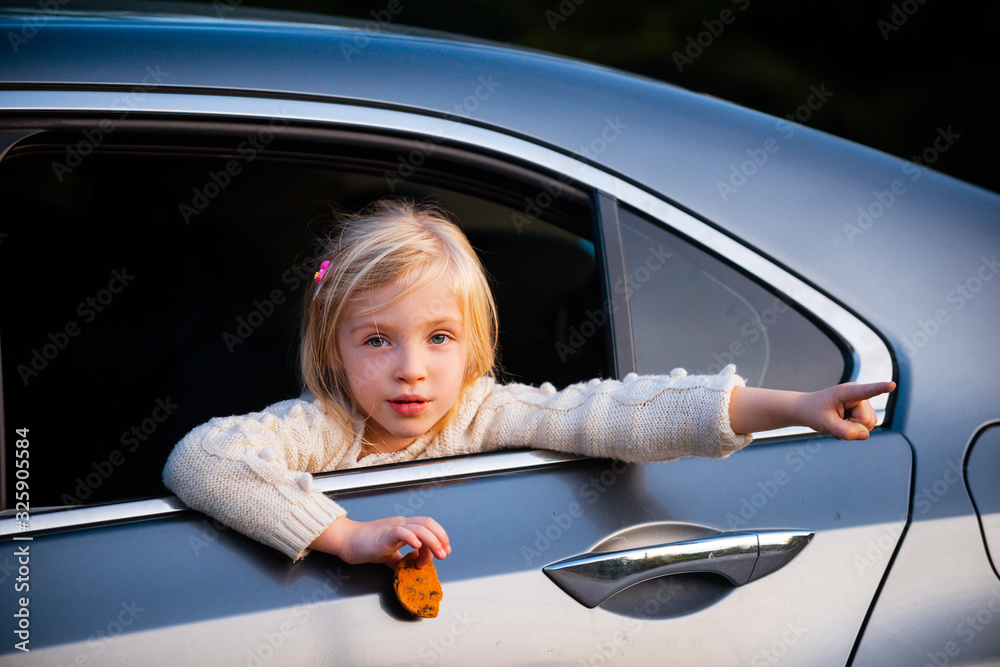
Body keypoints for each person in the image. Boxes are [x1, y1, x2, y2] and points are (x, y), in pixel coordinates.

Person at [163, 198, 895, 570]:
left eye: (439, 338)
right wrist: (347, 535)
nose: (411, 368)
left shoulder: (484, 412)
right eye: (378, 340)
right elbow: (200, 458)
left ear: (474, 346)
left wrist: (795, 404)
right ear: (335, 349)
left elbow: (619, 411)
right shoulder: (322, 426)